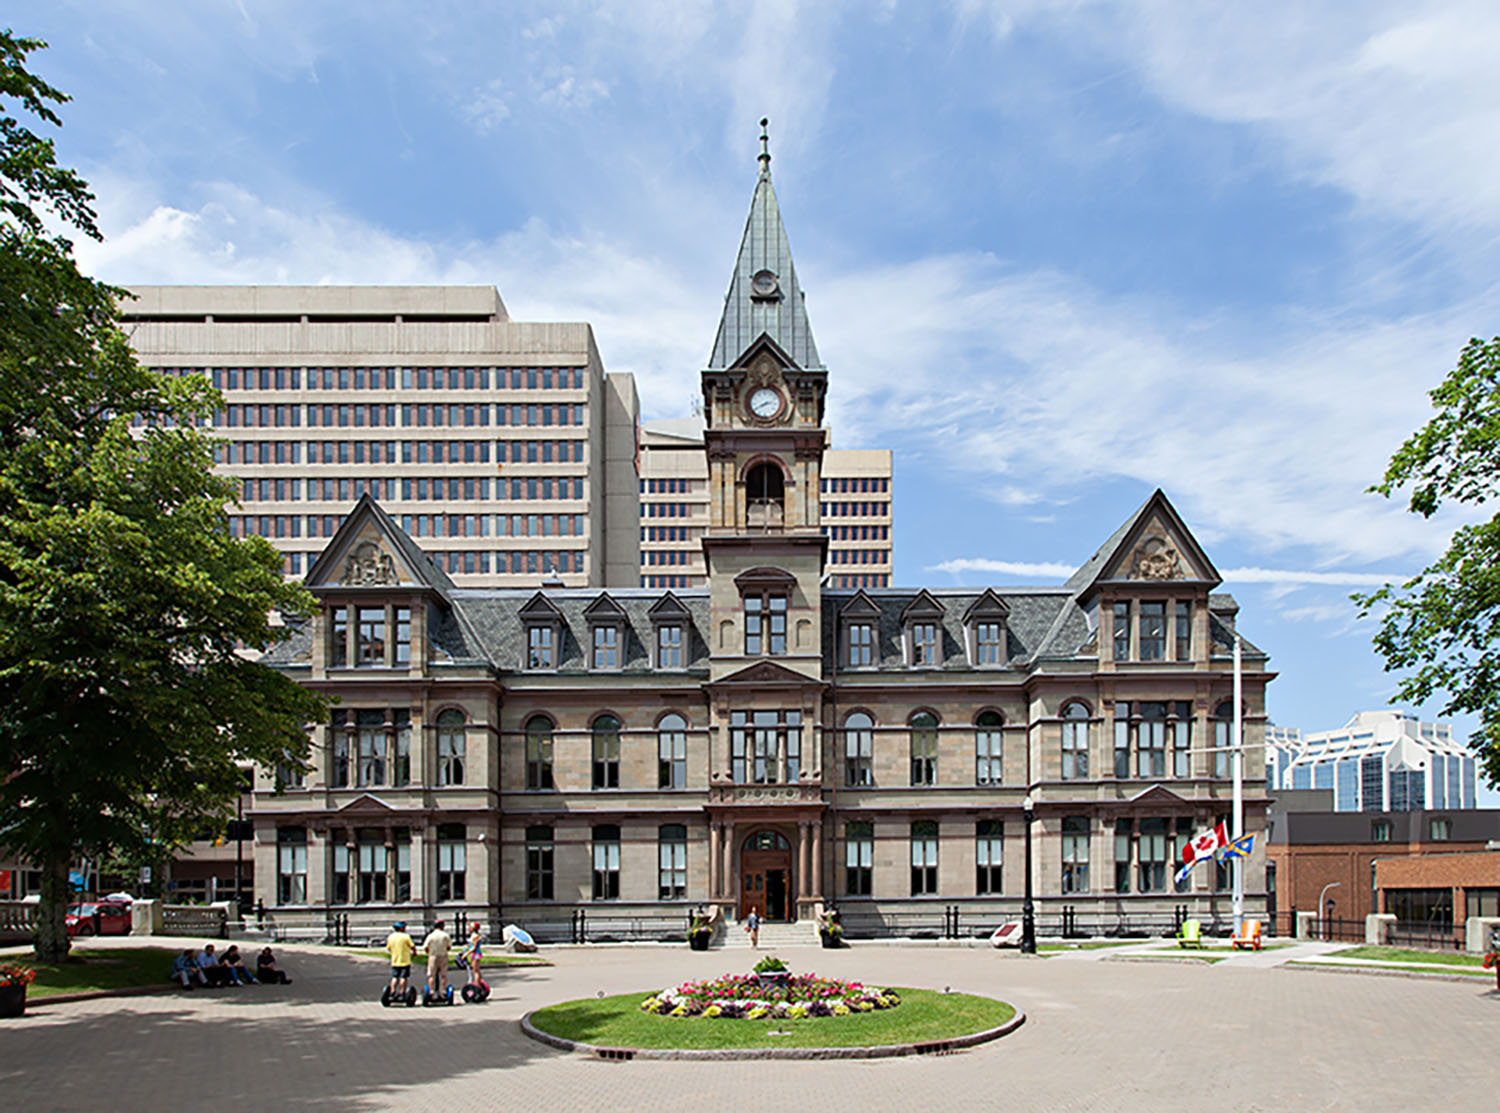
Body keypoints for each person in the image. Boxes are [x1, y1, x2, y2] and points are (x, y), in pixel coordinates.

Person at [422, 919, 453, 999]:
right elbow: (449, 947)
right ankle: (444, 991)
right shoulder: (445, 935)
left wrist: (430, 952)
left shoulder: (431, 935)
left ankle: (431, 991)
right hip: (443, 956)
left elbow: (425, 947)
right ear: (442, 926)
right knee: (443, 975)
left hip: (433, 956)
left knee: (432, 975)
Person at [385, 921, 416, 999]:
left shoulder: (391, 937)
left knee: (395, 977)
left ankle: (392, 992)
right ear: (401, 928)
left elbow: (389, 948)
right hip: (404, 961)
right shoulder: (406, 937)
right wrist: (414, 952)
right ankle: (402, 992)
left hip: (395, 961)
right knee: (403, 977)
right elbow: (412, 946)